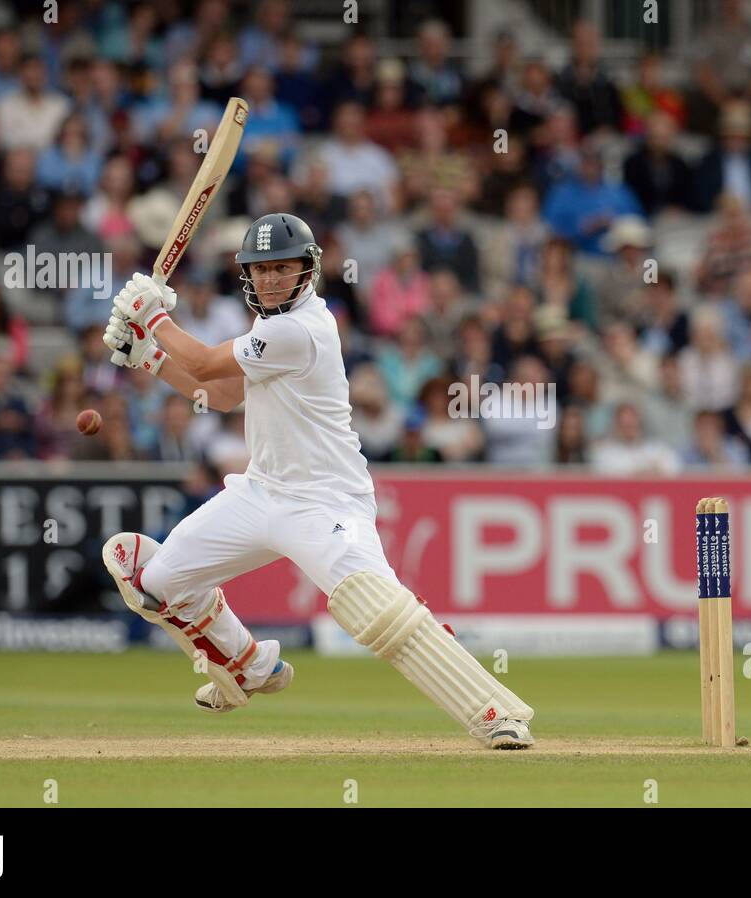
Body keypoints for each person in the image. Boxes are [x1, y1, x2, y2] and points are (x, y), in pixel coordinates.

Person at [99, 212, 534, 749]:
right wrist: (150, 357)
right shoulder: (269, 328)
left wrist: (155, 320)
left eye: (285, 268)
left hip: (327, 503)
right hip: (260, 493)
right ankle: (246, 665)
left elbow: (209, 364)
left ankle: (494, 712)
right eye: (262, 270)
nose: (273, 279)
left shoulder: (304, 327)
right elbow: (227, 395)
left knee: (377, 609)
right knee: (159, 583)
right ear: (248, 275)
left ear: (308, 270)